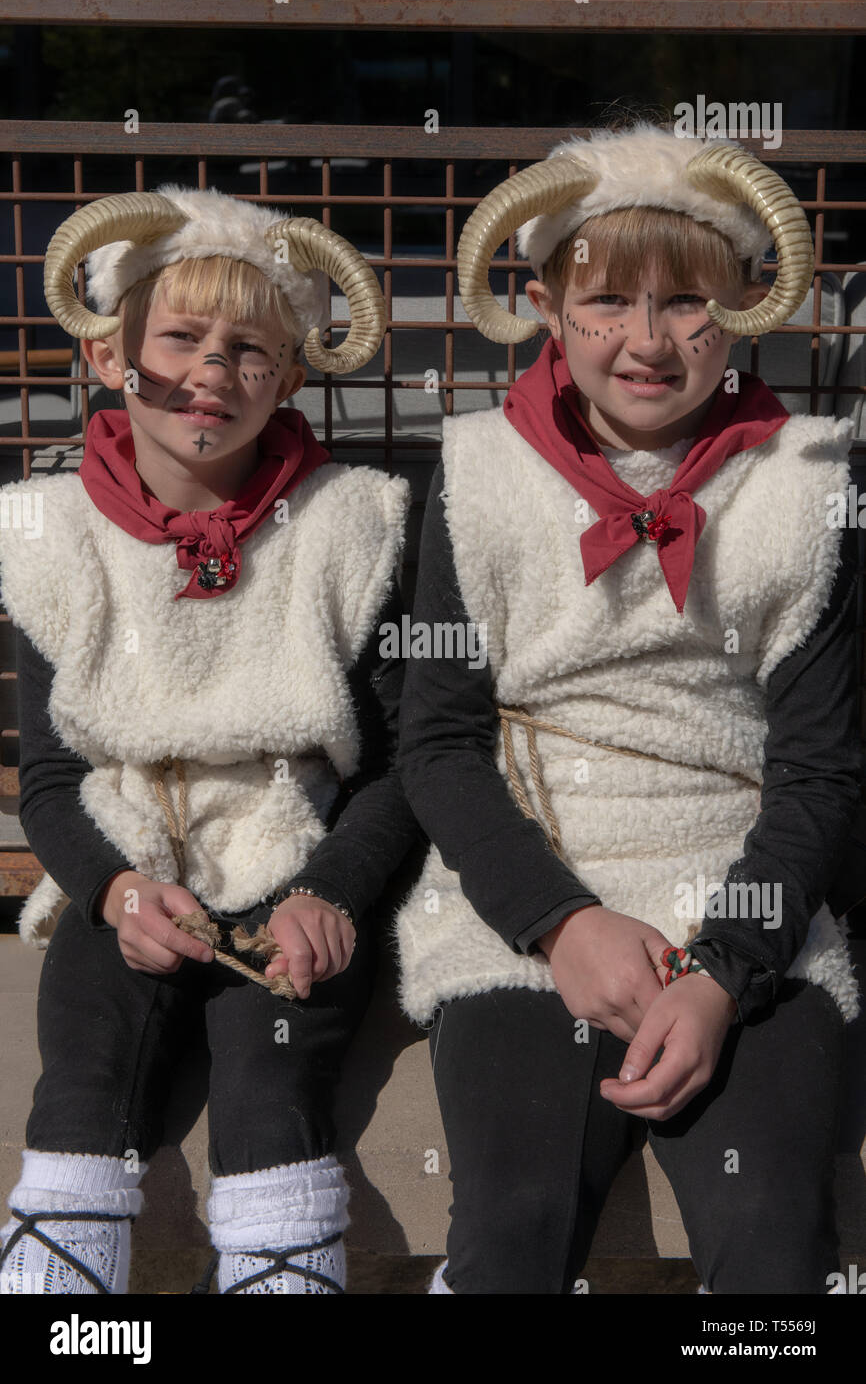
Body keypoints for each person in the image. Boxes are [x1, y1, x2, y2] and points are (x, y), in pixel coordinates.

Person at [395, 119, 862, 1294]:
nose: (647, 341)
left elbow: (819, 769)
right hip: (531, 898)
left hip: (741, 896)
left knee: (770, 1237)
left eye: (689, 304)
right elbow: (439, 739)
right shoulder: (477, 476)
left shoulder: (806, 486)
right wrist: (560, 923)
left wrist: (721, 971)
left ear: (742, 312)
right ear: (546, 302)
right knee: (511, 1218)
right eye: (605, 301)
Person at [0, 186, 418, 1294]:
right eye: (180, 337)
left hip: (290, 866)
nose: (210, 372)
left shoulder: (351, 526)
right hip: (128, 863)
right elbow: (49, 776)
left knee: (270, 1093)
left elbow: (390, 765)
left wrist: (328, 891)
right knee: (81, 1092)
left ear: (283, 377)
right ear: (110, 360)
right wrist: (113, 890)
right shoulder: (48, 534)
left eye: (248, 350)